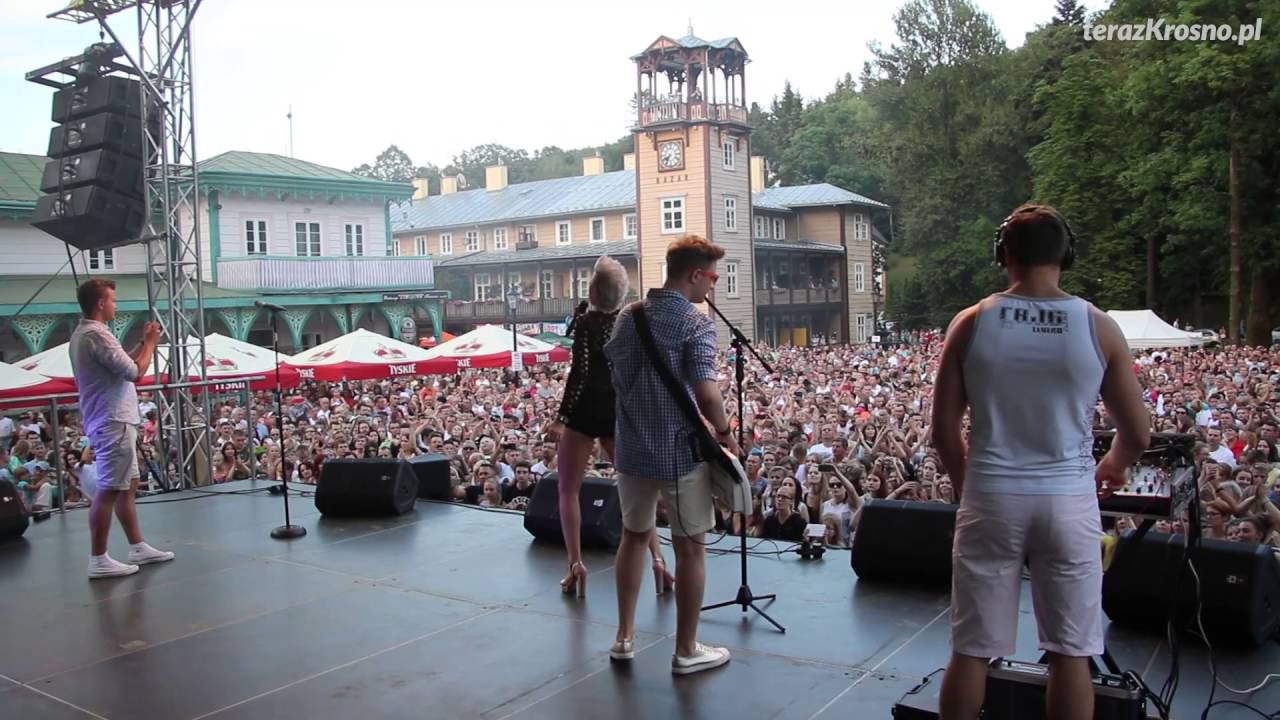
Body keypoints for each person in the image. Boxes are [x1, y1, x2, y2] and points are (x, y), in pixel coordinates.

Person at [931, 205, 1149, 720]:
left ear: (1003, 254)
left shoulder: (970, 323)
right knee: (1072, 653)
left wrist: (969, 487)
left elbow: (943, 432)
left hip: (991, 495)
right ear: (1066, 256)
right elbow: (1137, 432)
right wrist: (1113, 466)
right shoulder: (1099, 326)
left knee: (971, 651)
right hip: (1068, 499)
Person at [604, 234, 736, 675]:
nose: (713, 287)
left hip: (632, 447)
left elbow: (615, 374)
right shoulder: (695, 323)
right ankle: (686, 649)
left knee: (633, 536)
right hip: (679, 450)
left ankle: (623, 637)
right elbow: (705, 389)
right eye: (713, 277)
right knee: (691, 547)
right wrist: (724, 431)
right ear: (695, 274)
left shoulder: (629, 315)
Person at [545, 255, 674, 598]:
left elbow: (580, 374)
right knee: (635, 492)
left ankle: (575, 565)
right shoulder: (632, 320)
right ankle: (659, 560)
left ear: (593, 289)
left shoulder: (586, 324)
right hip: (619, 411)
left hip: (586, 411)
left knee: (568, 489)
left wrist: (561, 417)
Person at [70, 279, 175, 579]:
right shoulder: (96, 336)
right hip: (112, 420)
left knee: (126, 486)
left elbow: (121, 363)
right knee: (109, 489)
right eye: (113, 300)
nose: (116, 305)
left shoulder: (88, 334)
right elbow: (135, 372)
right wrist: (152, 345)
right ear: (101, 303)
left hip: (114, 418)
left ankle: (136, 545)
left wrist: (143, 343)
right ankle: (98, 558)